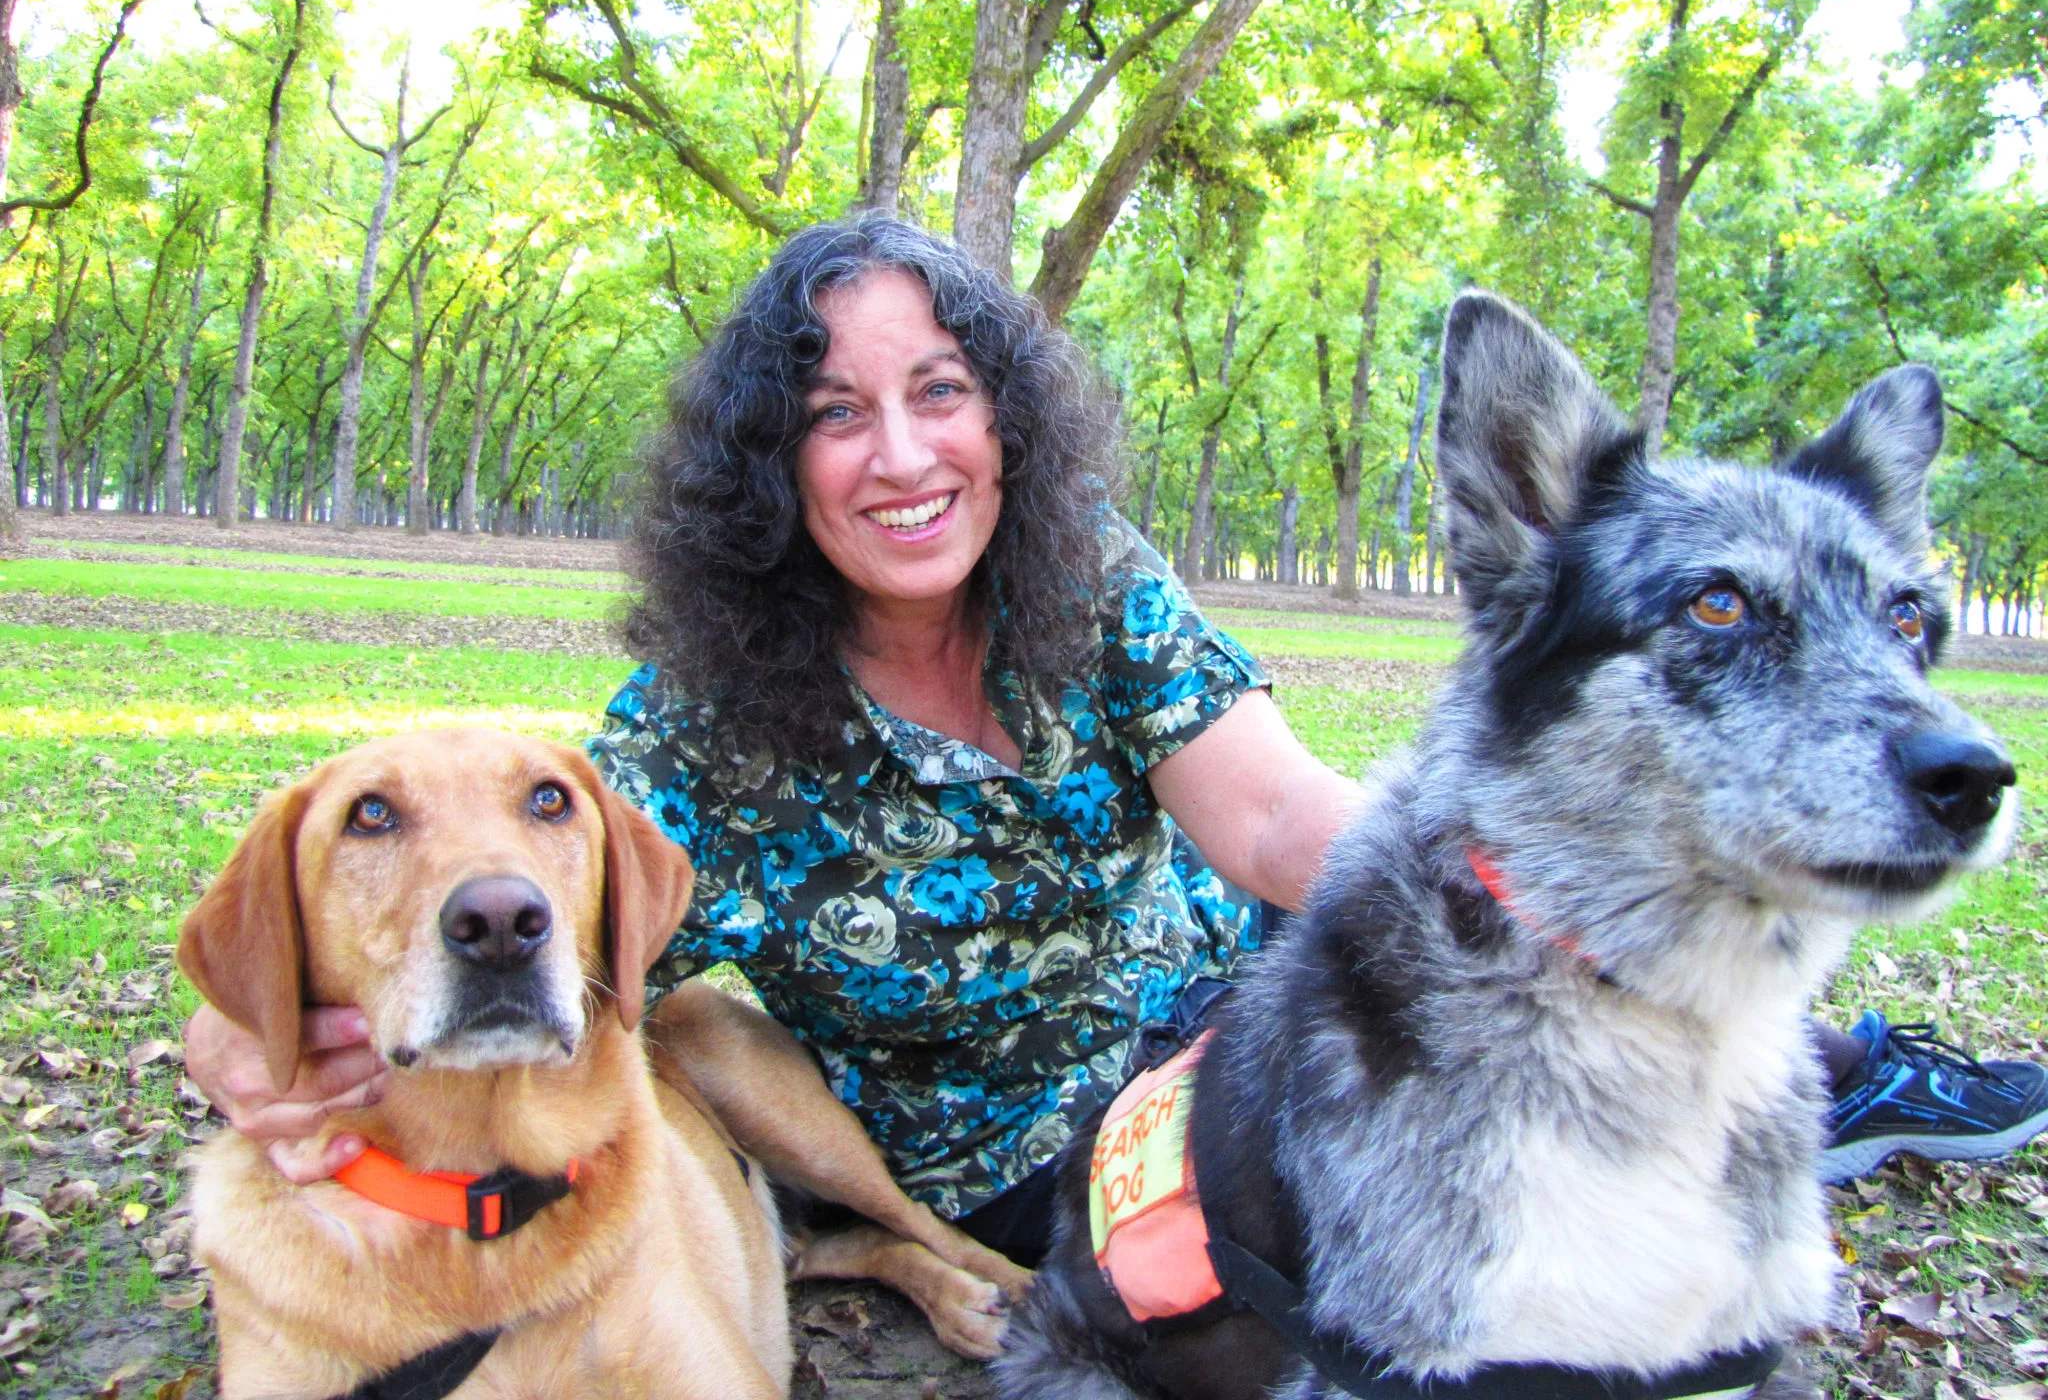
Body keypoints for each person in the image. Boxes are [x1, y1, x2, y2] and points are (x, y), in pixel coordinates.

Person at [185, 215, 2048, 1265]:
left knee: (1474, 1004)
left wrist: (1552, 905)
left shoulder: (1100, 590)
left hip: (1259, 994)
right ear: (776, 467)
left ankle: (1804, 1064)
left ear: (1007, 420)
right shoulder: (696, 734)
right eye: (840, 416)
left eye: (943, 392)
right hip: (1039, 1148)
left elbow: (1276, 826)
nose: (904, 453)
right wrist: (248, 1044)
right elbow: (496, 915)